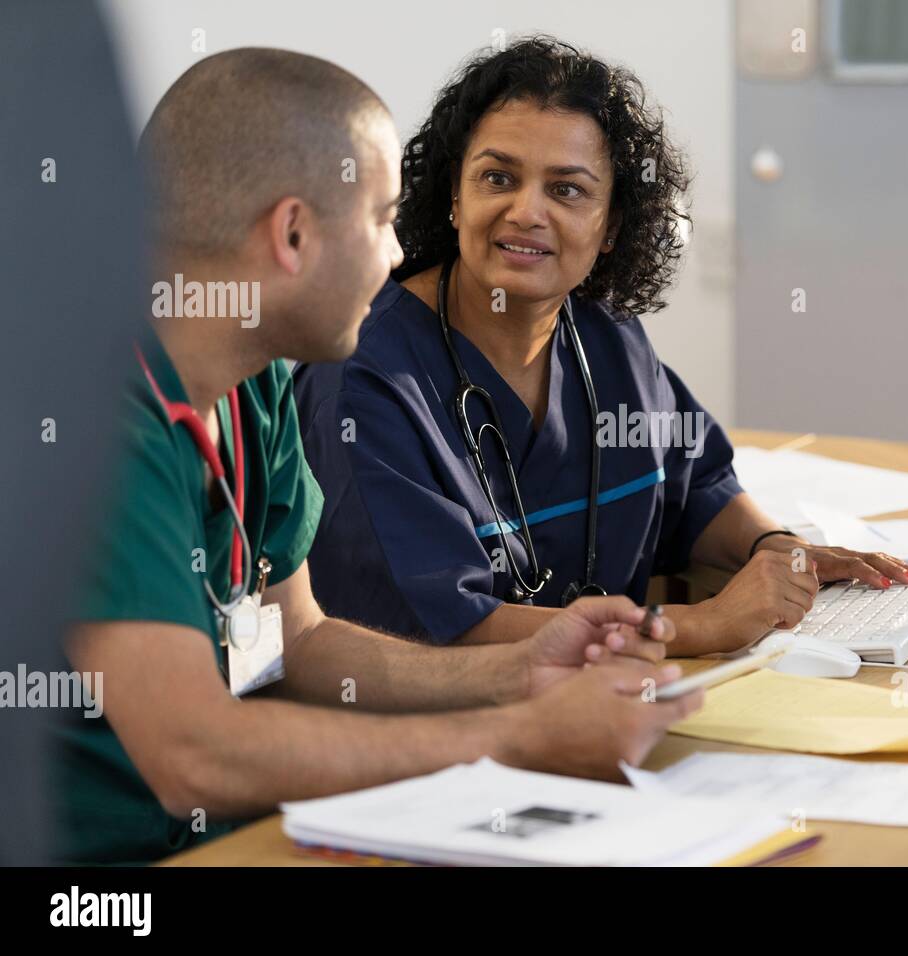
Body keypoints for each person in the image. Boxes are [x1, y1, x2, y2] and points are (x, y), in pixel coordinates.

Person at [57, 47, 699, 866]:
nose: (400, 253)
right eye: (381, 219)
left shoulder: (255, 384)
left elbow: (301, 641)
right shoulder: (96, 421)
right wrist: (519, 736)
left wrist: (519, 670)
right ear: (292, 234)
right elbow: (194, 756)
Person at [294, 36, 908, 655]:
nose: (525, 211)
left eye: (566, 190)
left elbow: (695, 486)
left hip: (602, 706)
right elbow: (428, 634)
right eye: (497, 178)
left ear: (612, 226)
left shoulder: (608, 339)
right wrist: (701, 626)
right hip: (442, 737)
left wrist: (775, 549)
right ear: (454, 197)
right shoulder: (364, 379)